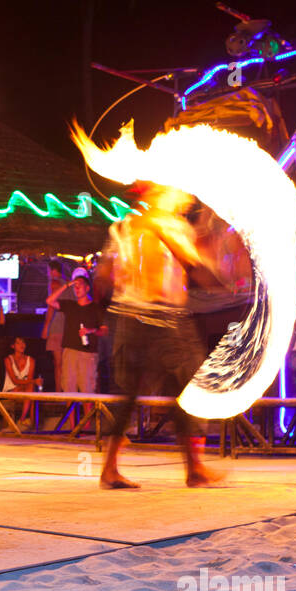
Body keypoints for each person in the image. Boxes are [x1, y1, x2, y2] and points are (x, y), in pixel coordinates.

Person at [94, 180, 223, 489]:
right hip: (165, 320)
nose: (184, 198)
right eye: (179, 193)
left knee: (128, 395)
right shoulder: (169, 225)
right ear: (162, 193)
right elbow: (198, 270)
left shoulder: (123, 227)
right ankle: (195, 469)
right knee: (190, 389)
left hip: (127, 316)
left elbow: (103, 275)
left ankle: (110, 469)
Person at [46, 269, 105, 393]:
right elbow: (49, 301)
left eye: (80, 285)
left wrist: (91, 330)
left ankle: (88, 413)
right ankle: (70, 413)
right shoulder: (70, 305)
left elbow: (104, 331)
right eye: (75, 286)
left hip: (87, 354)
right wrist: (67, 285)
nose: (76, 288)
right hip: (70, 351)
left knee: (87, 392)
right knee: (69, 391)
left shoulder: (96, 308)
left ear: (87, 288)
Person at [40, 260, 71, 385]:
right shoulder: (69, 284)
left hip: (57, 326)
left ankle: (60, 393)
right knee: (66, 363)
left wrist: (46, 327)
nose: (47, 274)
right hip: (68, 327)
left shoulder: (54, 283)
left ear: (52, 270)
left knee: (58, 364)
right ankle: (68, 393)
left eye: (47, 271)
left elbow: (51, 307)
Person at [2, 336, 42, 425]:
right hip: (11, 390)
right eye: (18, 343)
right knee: (31, 389)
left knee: (31, 389)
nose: (22, 345)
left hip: (25, 390)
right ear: (13, 346)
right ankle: (26, 420)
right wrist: (34, 381)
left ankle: (23, 419)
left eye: (23, 343)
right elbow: (14, 381)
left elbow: (29, 380)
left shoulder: (31, 360)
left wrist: (33, 382)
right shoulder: (8, 360)